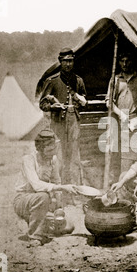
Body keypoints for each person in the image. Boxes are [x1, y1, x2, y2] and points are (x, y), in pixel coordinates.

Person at [13, 129, 77, 247]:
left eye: (54, 149)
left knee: (69, 226)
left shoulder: (53, 160)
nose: (53, 153)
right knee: (43, 196)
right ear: (40, 149)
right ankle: (35, 236)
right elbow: (36, 185)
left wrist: (58, 207)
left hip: (43, 202)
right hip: (23, 200)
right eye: (49, 150)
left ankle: (40, 224)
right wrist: (62, 187)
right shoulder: (28, 160)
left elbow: (56, 181)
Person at [39, 48, 87, 200]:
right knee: (58, 158)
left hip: (74, 123)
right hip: (58, 123)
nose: (68, 64)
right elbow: (42, 104)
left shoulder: (78, 80)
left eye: (71, 61)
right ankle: (59, 196)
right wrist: (53, 106)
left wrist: (79, 102)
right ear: (60, 62)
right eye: (65, 61)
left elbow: (84, 99)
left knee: (74, 159)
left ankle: (76, 195)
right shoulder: (52, 81)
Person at [105, 52, 137, 182]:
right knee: (114, 153)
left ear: (132, 61)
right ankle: (112, 186)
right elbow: (108, 102)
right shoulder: (115, 79)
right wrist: (121, 114)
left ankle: (129, 185)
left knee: (131, 154)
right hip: (117, 120)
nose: (125, 64)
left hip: (133, 121)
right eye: (122, 61)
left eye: (128, 61)